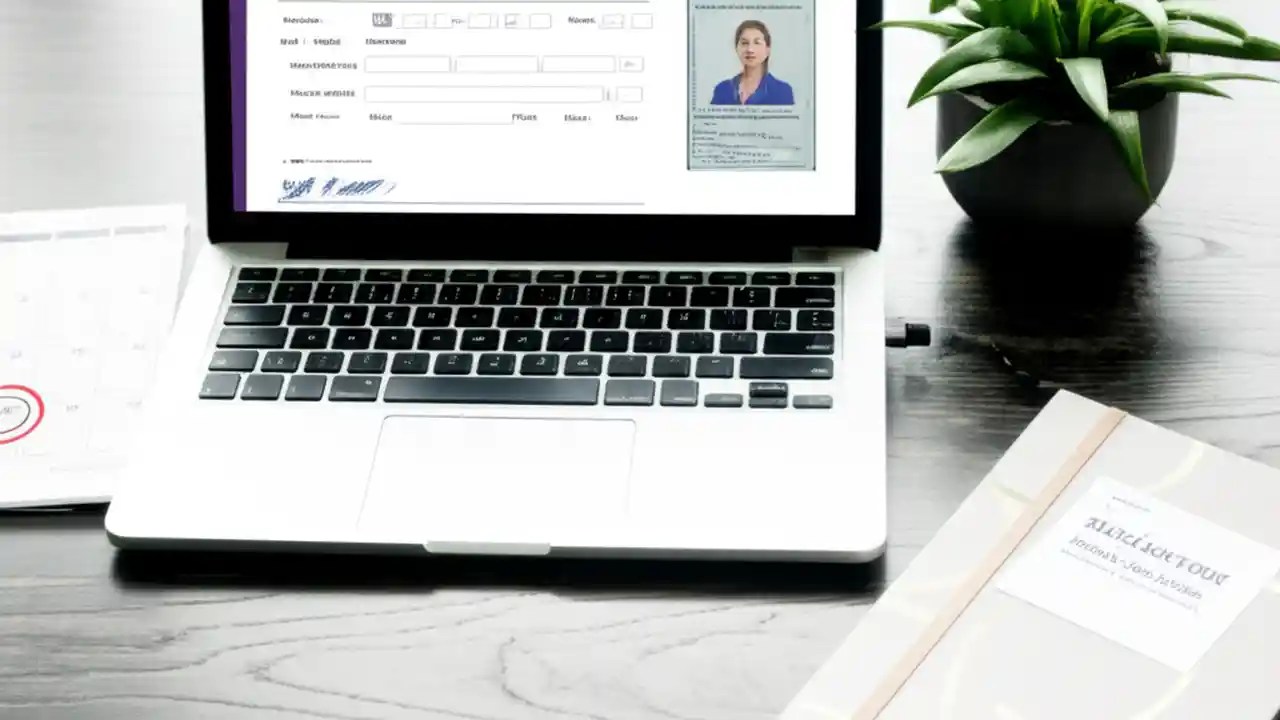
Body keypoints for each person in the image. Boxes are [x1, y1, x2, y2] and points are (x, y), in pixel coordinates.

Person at [710, 20, 795, 106]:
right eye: (744, 43)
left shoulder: (782, 91)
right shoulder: (722, 89)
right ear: (737, 48)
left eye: (757, 43)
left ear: (768, 50)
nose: (750, 49)